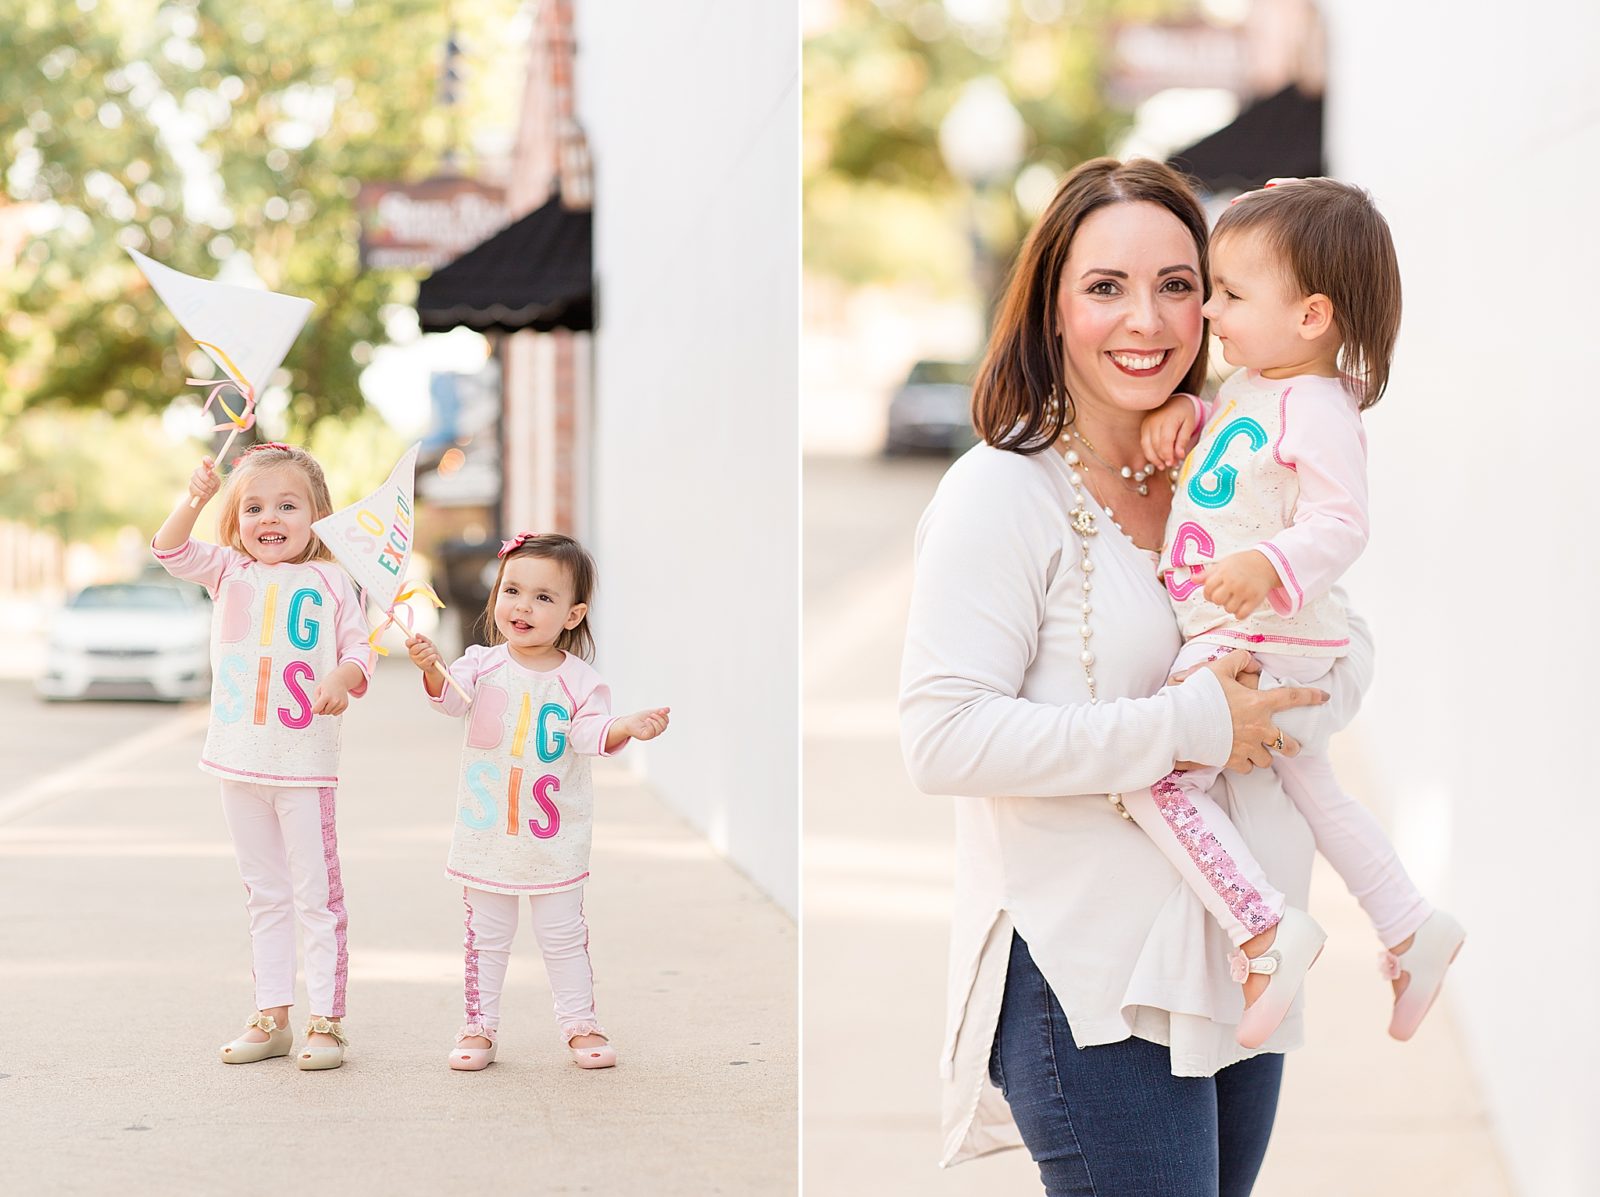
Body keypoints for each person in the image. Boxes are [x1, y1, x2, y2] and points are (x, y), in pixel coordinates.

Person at [899, 158, 1373, 1196]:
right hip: (1089, 978)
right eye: (1104, 287)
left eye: (1177, 283)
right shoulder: (1001, 494)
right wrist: (1194, 722)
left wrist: (1305, 690)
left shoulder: (1238, 463)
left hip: (1238, 964)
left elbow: (1337, 654)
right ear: (1052, 307)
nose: (1146, 320)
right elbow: (943, 741)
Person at [1130, 178, 1463, 1048]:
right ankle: (1409, 924)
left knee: (1156, 775)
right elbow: (1241, 452)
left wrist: (1269, 562)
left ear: (1311, 316)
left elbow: (1340, 521)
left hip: (1259, 635)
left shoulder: (1319, 407)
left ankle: (1264, 931)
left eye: (1232, 294)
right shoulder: (1257, 384)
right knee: (1317, 789)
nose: (1208, 309)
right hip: (1261, 634)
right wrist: (1189, 413)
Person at [404, 532, 670, 1072]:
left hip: (552, 837)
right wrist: (432, 666)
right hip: (488, 830)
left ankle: (580, 1023)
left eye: (543, 598)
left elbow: (588, 733)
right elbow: (451, 704)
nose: (522, 606)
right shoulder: (479, 664)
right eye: (512, 591)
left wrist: (626, 726)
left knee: (563, 935)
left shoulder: (580, 682)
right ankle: (478, 1026)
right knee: (486, 937)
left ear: (572, 616)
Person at [152, 442, 373, 1071]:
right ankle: (271, 1014)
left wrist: (341, 678)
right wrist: (194, 497)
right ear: (234, 519)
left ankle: (326, 1021)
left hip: (303, 765)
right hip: (236, 760)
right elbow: (168, 549)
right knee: (264, 893)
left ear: (316, 515)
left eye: (286, 505)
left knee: (316, 895)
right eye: (252, 507)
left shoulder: (332, 579)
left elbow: (360, 654)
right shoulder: (227, 570)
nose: (268, 518)